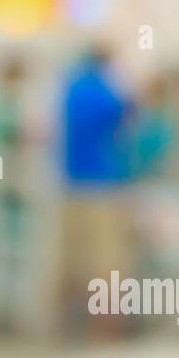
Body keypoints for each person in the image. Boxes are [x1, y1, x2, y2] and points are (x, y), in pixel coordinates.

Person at [57, 44, 135, 333]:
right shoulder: (105, 89)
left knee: (74, 256)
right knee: (107, 259)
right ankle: (106, 326)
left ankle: (69, 320)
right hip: (103, 183)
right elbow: (126, 113)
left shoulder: (70, 86)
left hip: (71, 182)